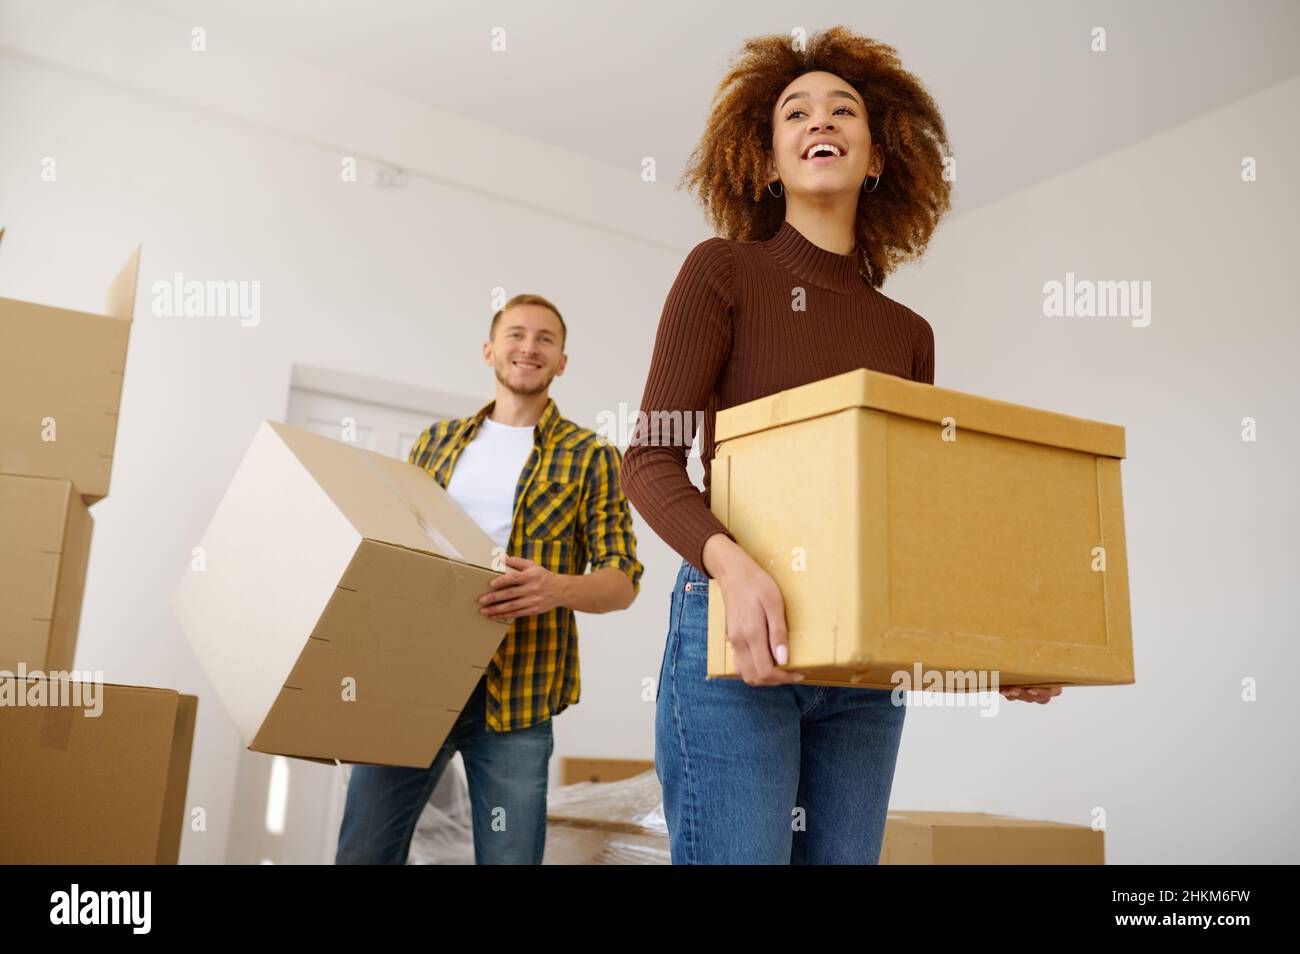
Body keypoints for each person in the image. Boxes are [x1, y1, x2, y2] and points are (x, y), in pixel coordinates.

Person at [622, 26, 1059, 866]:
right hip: (732, 637)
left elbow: (913, 517)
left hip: (864, 665)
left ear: (877, 158)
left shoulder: (908, 333)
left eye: (842, 110)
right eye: (795, 112)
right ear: (767, 160)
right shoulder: (723, 272)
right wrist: (732, 564)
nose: (819, 120)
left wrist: (988, 654)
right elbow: (647, 459)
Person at [336, 294, 644, 864]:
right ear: (490, 350)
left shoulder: (591, 455)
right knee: (362, 855)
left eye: (545, 339)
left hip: (518, 695)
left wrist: (556, 587)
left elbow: (622, 580)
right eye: (516, 334)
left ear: (562, 361)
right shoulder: (435, 443)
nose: (529, 347)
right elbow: (395, 551)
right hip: (413, 684)